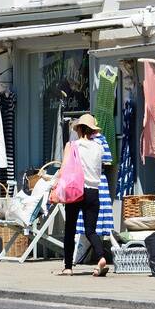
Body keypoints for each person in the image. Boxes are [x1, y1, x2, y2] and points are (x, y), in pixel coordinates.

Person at [58, 113, 111, 277]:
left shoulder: (72, 145)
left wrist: (54, 182)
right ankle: (101, 257)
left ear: (79, 129)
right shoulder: (99, 147)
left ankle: (68, 267)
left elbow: (64, 168)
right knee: (90, 230)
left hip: (76, 191)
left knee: (70, 229)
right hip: (94, 193)